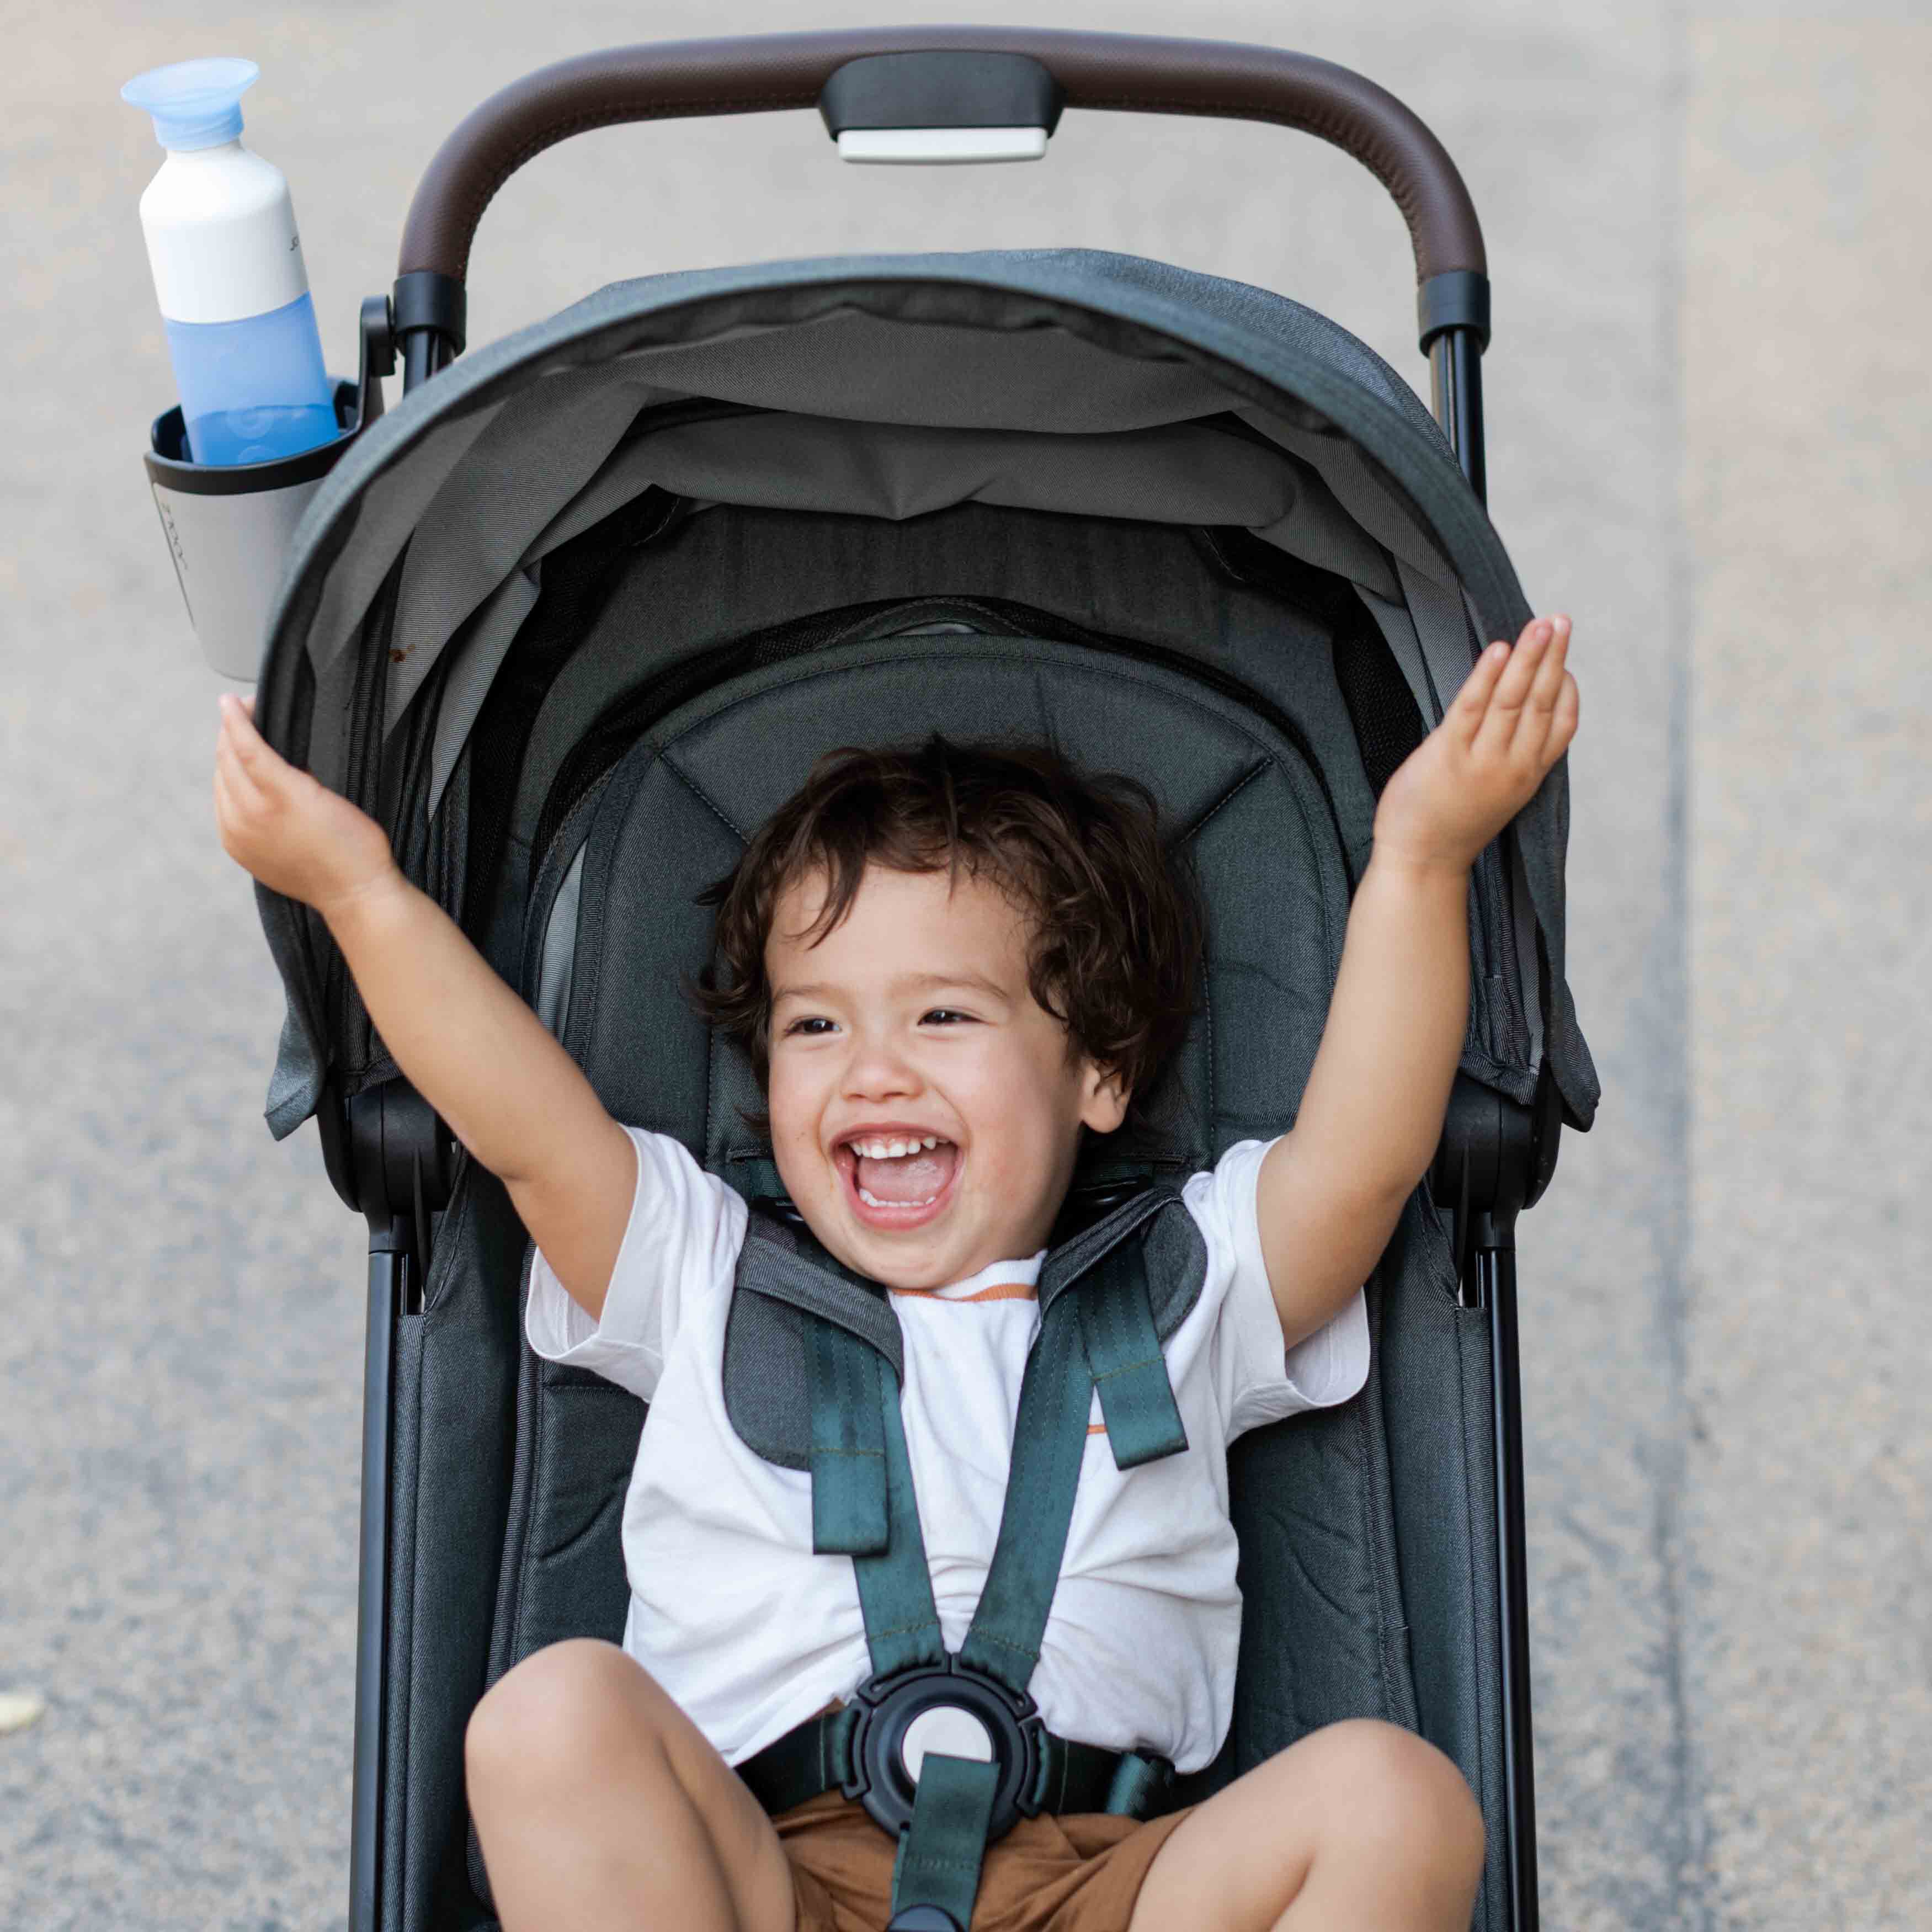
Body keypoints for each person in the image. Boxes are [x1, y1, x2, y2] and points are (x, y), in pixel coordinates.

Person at [213, 613, 1577, 1932]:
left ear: (1100, 1070)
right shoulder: (699, 1270)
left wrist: (1421, 858)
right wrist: (359, 894)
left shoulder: (1188, 1284)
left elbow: (1360, 1165)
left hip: (1105, 1879)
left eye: (942, 1013)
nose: (872, 1068)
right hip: (764, 1874)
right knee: (548, 1714)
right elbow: (520, 1125)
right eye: (813, 1025)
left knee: (1393, 1798)